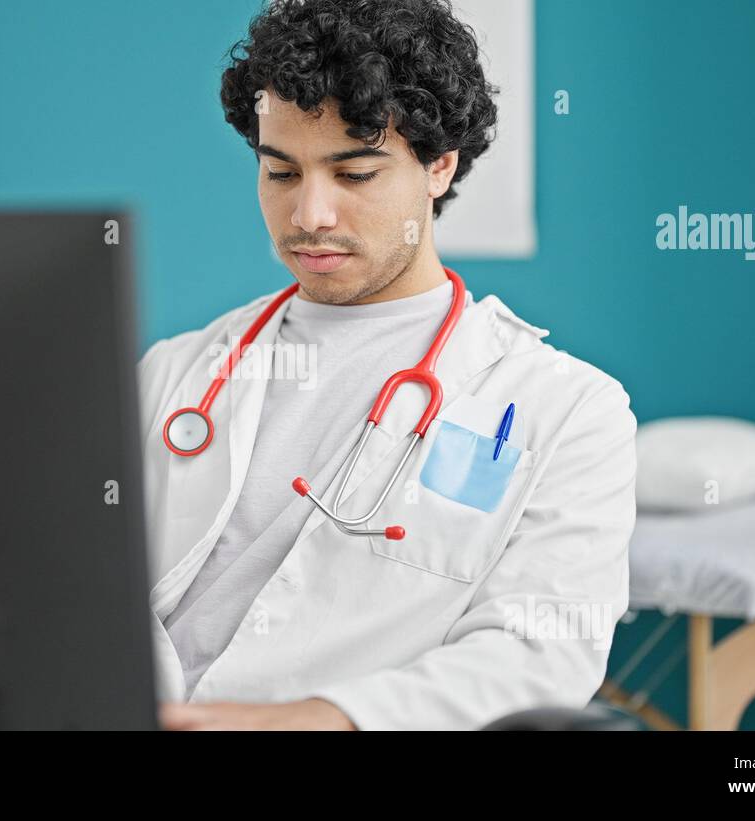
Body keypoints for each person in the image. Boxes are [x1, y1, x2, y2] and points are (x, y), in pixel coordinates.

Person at [144, 0, 636, 730]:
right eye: (281, 172)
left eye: (354, 174)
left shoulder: (566, 409)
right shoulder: (172, 372)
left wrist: (317, 719)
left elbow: (536, 654)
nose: (309, 215)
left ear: (439, 165)